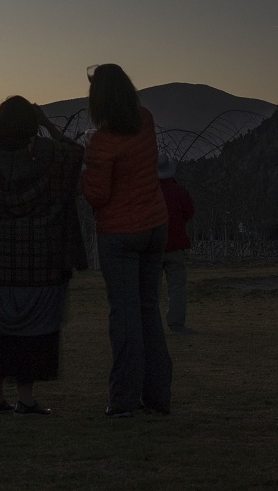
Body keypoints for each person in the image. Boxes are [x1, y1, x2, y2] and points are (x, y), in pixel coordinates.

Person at [0, 96, 85, 416]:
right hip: (40, 262)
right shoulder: (49, 154)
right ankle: (25, 398)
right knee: (34, 334)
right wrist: (48, 123)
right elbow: (77, 154)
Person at [82, 63, 172, 417]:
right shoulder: (146, 120)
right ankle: (158, 396)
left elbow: (96, 196)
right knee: (149, 311)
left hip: (119, 234)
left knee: (124, 316)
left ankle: (123, 400)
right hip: (155, 225)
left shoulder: (102, 143)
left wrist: (85, 170)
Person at [158, 155, 195, 333]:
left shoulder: (148, 191)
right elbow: (189, 211)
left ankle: (151, 324)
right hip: (175, 245)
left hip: (153, 247)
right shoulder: (179, 191)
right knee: (177, 286)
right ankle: (176, 323)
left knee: (151, 289)